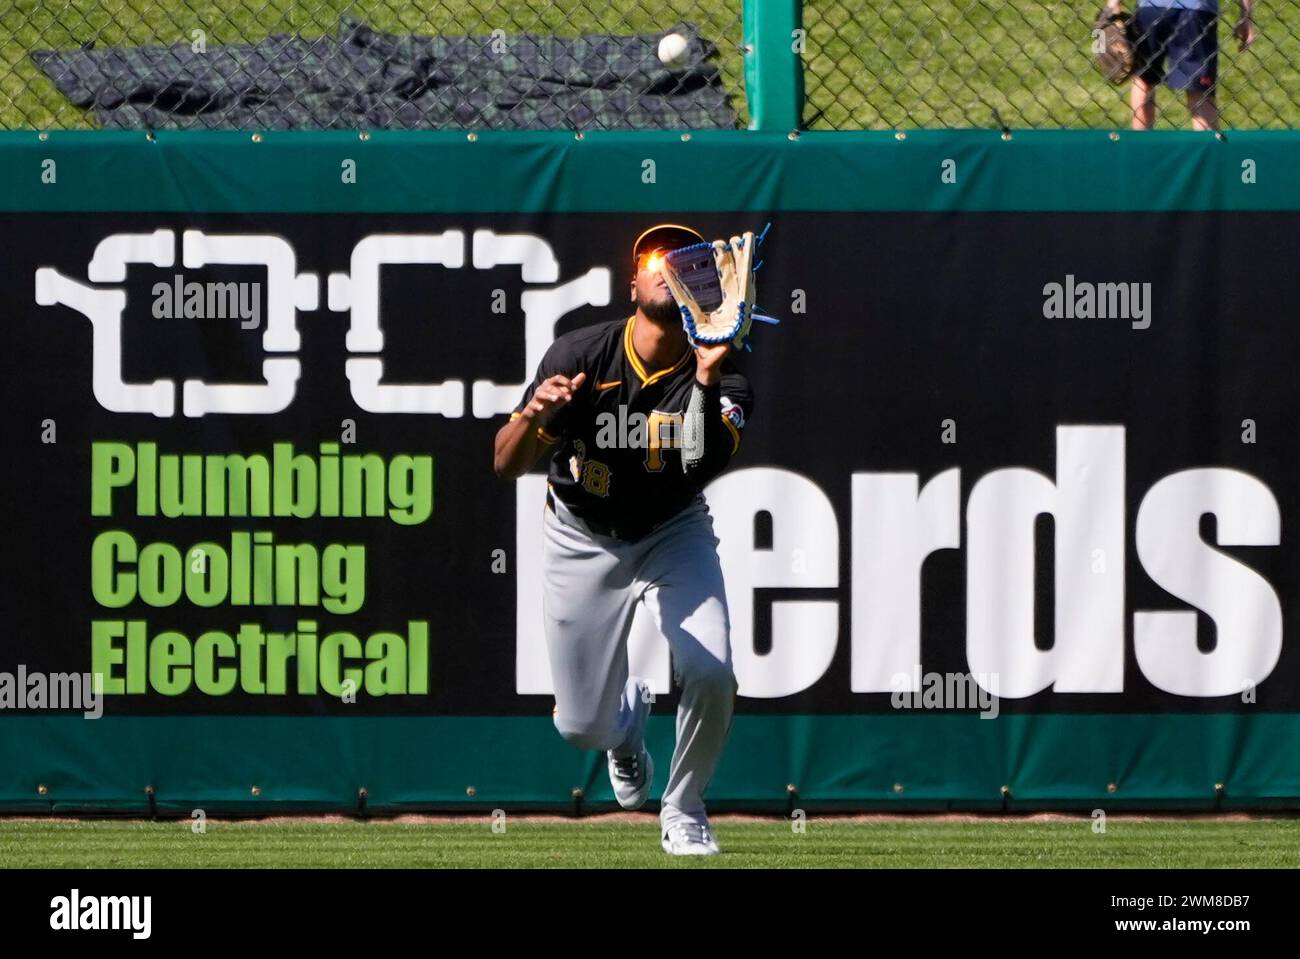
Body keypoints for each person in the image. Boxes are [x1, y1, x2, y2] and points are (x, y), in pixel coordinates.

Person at [492, 224, 754, 856]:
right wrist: (534, 416)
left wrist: (710, 380)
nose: (669, 269)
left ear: (705, 291)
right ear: (632, 281)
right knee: (581, 727)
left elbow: (700, 463)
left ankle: (685, 808)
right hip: (581, 533)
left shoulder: (724, 373)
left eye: (689, 263)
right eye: (655, 260)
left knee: (712, 671)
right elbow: (505, 464)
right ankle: (625, 726)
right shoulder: (580, 357)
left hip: (672, 529)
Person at [1116, 0, 1257, 130]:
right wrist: (1246, 15)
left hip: (1152, 8)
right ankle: (1206, 152)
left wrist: (1113, 5)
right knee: (1199, 92)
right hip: (1194, 10)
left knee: (1143, 81)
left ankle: (1142, 150)